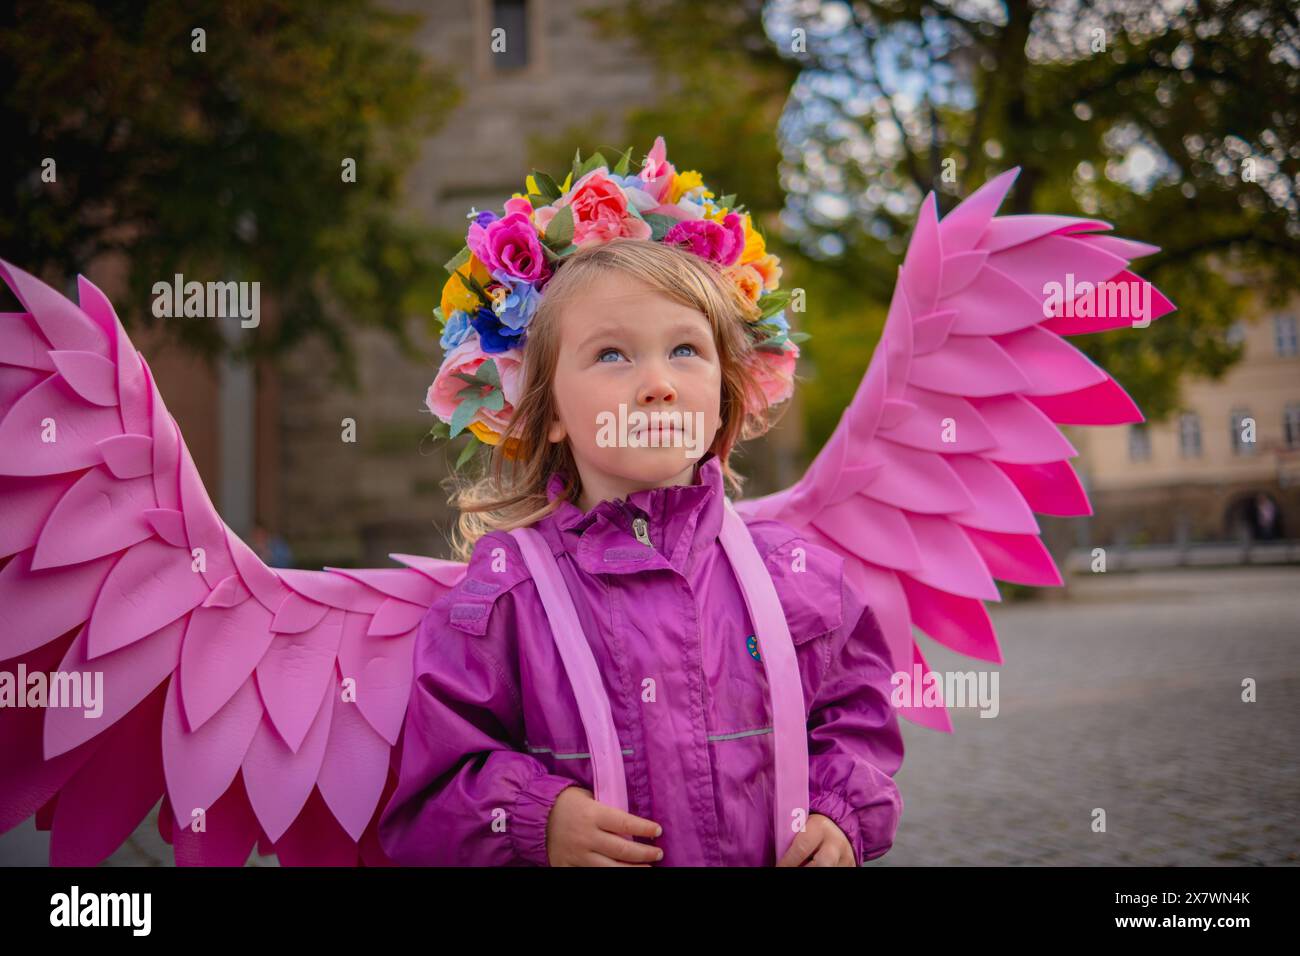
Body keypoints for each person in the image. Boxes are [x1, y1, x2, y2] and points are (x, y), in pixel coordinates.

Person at [377, 230, 904, 867]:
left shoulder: (800, 579)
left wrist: (838, 812)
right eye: (611, 355)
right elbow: (431, 800)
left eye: (685, 349)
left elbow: (856, 723)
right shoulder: (501, 601)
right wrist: (531, 821)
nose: (657, 383)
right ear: (549, 413)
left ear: (722, 397)